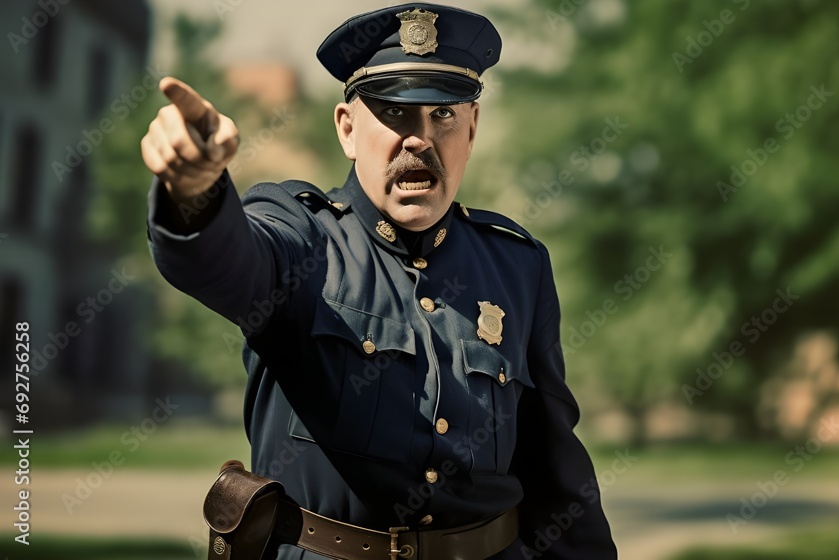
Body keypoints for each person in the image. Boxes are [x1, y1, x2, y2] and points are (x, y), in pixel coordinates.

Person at [143, 3, 617, 559]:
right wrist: (195, 190)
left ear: (472, 128)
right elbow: (221, 261)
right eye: (394, 113)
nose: (419, 139)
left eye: (443, 115)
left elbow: (553, 470)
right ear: (347, 128)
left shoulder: (517, 264)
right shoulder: (302, 236)